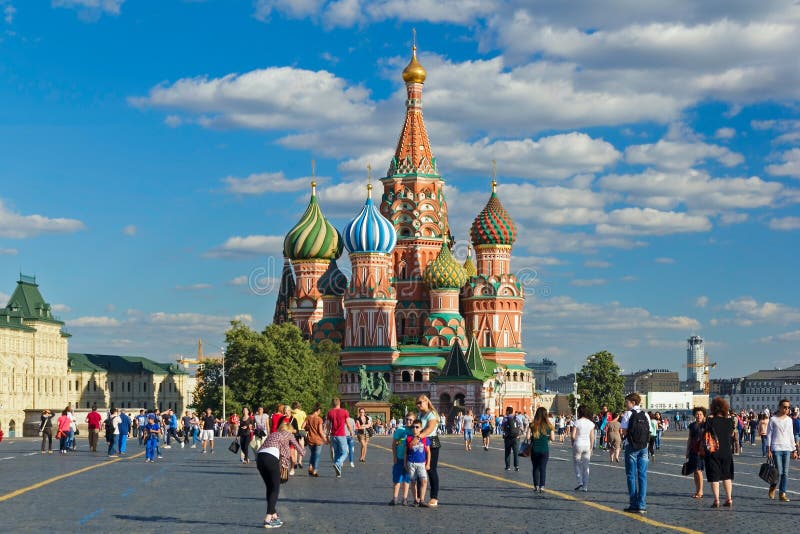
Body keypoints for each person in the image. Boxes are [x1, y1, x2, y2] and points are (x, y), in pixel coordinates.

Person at [256, 422, 303, 529]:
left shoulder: (273, 434)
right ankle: (268, 519)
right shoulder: (288, 435)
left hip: (260, 458)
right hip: (271, 458)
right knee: (275, 489)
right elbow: (297, 450)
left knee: (270, 487)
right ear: (289, 430)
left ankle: (274, 515)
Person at [621, 392, 650, 514]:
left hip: (631, 447)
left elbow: (623, 432)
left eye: (627, 402)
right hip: (644, 447)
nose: (625, 404)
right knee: (642, 476)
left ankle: (633, 504)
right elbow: (650, 431)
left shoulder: (628, 414)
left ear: (632, 402)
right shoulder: (646, 414)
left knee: (631, 476)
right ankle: (642, 505)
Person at [705, 397, 736, 508]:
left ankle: (717, 500)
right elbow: (731, 434)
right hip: (727, 451)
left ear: (713, 407)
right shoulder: (729, 421)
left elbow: (705, 434)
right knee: (726, 476)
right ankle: (729, 499)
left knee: (715, 477)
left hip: (713, 451)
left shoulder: (710, 420)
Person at [766, 399, 799, 502]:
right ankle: (773, 487)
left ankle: (782, 494)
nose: (786, 409)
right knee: (779, 472)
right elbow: (769, 435)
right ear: (779, 407)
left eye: (788, 407)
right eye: (784, 407)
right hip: (776, 448)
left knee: (786, 473)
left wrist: (794, 450)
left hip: (787, 448)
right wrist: (769, 449)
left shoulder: (789, 420)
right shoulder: (773, 419)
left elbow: (791, 435)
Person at [416, 395, 441, 507]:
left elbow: (429, 429)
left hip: (431, 443)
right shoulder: (420, 414)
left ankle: (434, 497)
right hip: (421, 443)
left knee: (431, 470)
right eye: (417, 403)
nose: (418, 405)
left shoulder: (432, 414)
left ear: (426, 402)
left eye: (420, 402)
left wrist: (418, 437)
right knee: (419, 469)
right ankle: (419, 497)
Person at [527, 407, 554, 494]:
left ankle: (536, 486)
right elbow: (553, 438)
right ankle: (542, 487)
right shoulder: (549, 425)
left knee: (535, 468)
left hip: (534, 449)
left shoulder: (532, 425)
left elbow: (527, 437)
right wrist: (547, 438)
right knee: (543, 468)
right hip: (544, 449)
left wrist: (533, 437)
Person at [389, 414, 415, 506]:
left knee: (406, 480)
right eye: (407, 419)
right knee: (397, 479)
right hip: (399, 458)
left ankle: (405, 498)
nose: (408, 421)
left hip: (410, 459)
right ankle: (395, 498)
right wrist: (395, 457)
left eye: (411, 420)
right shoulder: (400, 430)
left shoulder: (414, 431)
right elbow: (394, 444)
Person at [405, 419, 431, 507]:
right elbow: (406, 452)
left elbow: (428, 452)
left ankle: (422, 499)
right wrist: (405, 463)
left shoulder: (424, 438)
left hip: (422, 463)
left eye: (417, 427)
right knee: (413, 482)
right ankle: (415, 499)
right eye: (413, 427)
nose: (415, 429)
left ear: (421, 428)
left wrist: (428, 464)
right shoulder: (408, 438)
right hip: (411, 463)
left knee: (424, 481)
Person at [571, 405, 594, 492]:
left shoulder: (577, 422)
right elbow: (592, 437)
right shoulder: (591, 423)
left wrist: (573, 443)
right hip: (587, 445)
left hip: (578, 444)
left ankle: (579, 481)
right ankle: (585, 487)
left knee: (576, 464)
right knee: (586, 466)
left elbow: (573, 436)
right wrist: (591, 448)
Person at [685, 407, 707, 499]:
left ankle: (701, 491)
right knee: (695, 471)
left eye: (700, 414)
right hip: (693, 449)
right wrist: (687, 450)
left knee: (698, 470)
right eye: (697, 414)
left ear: (703, 415)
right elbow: (690, 438)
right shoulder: (692, 425)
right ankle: (697, 489)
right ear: (694, 415)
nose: (698, 416)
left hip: (701, 450)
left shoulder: (706, 425)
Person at [326, 397, 350, 478]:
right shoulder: (344, 412)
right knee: (345, 452)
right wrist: (351, 432)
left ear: (333, 403)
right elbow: (347, 423)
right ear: (339, 403)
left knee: (336, 453)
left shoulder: (330, 412)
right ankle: (338, 464)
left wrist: (327, 434)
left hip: (333, 435)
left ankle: (338, 472)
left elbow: (328, 424)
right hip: (341, 435)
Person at [303, 403, 326, 477]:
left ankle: (310, 467)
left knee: (313, 454)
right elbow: (320, 431)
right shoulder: (319, 419)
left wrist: (308, 428)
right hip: (318, 440)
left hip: (310, 439)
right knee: (317, 455)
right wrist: (325, 439)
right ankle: (315, 470)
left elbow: (302, 426)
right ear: (318, 410)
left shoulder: (308, 417)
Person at [501, 406, 521, 472]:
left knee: (507, 452)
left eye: (506, 410)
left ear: (508, 411)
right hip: (516, 438)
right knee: (516, 453)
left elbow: (502, 428)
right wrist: (518, 434)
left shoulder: (505, 418)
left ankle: (508, 466)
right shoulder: (516, 418)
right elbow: (520, 426)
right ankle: (517, 467)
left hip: (508, 438)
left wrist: (505, 432)